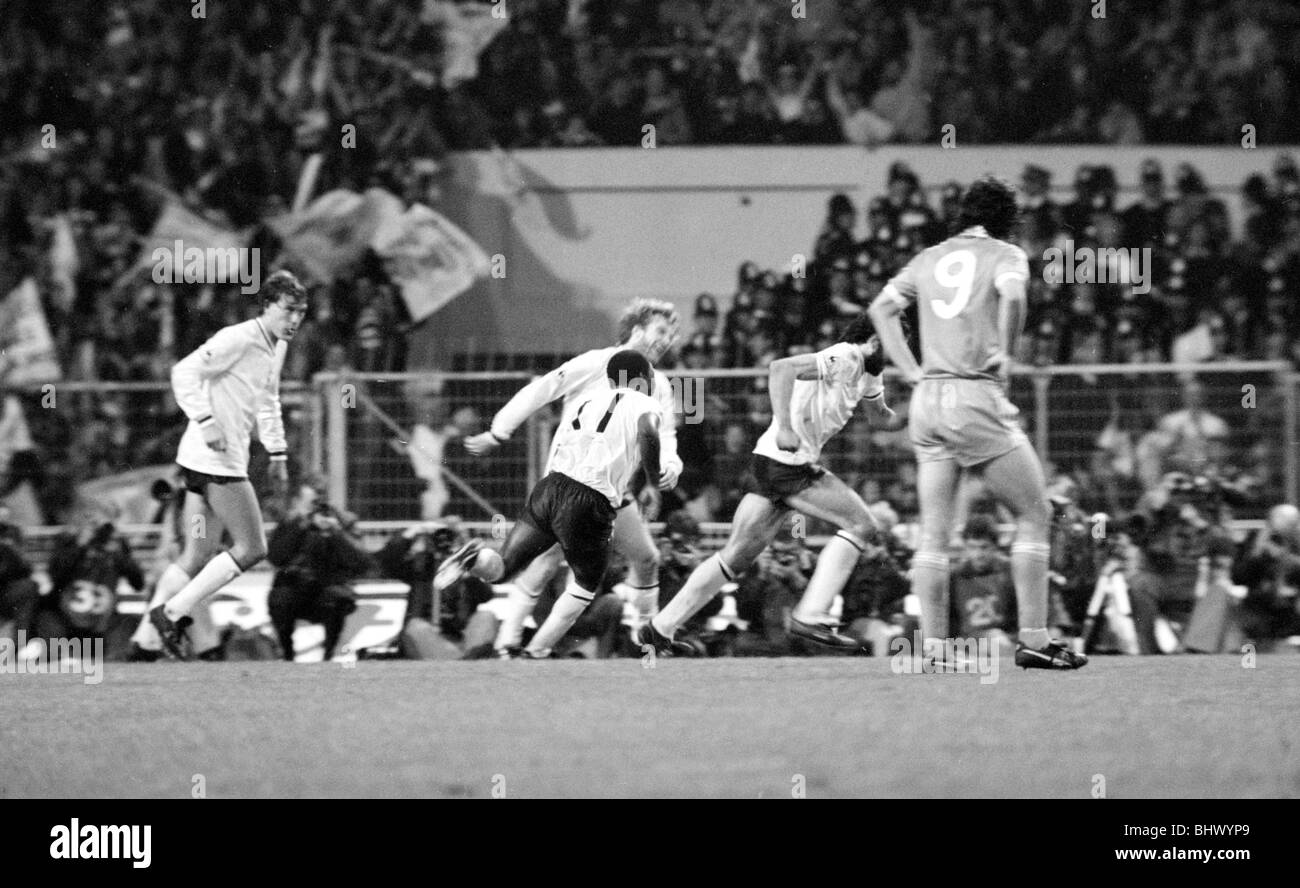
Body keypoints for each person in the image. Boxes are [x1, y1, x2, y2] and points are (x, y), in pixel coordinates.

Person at [869, 175, 1087, 669]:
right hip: (974, 394)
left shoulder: (927, 258)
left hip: (927, 400)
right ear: (1005, 219)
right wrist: (1006, 353)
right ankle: (1034, 638)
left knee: (933, 534)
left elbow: (881, 309)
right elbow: (1013, 298)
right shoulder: (1006, 254)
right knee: (1036, 514)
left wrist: (908, 368)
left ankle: (934, 649)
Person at [639, 311, 899, 654]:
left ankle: (659, 628)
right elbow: (781, 368)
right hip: (788, 463)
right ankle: (811, 614)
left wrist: (927, 407)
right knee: (862, 525)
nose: (899, 350)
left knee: (735, 556)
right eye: (896, 341)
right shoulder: (847, 356)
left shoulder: (869, 373)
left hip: (769, 461)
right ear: (876, 340)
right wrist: (787, 427)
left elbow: (881, 419)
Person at [459, 299, 682, 655]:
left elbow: (666, 435)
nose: (666, 340)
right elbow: (542, 388)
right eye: (661, 331)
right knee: (549, 564)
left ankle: (649, 640)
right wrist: (499, 431)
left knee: (646, 557)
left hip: (610, 493)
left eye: (671, 335)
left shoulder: (661, 386)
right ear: (637, 330)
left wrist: (670, 466)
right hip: (576, 483)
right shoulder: (595, 363)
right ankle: (513, 645)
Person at [147, 270, 308, 658]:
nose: (294, 320)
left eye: (300, 313)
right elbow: (183, 371)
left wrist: (278, 452)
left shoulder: (276, 347)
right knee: (253, 547)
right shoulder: (238, 338)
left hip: (204, 462)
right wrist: (205, 420)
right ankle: (172, 612)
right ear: (267, 306)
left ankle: (142, 642)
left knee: (197, 555)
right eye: (287, 310)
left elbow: (268, 399)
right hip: (214, 460)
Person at [265, 484, 371, 661]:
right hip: (294, 588)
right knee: (280, 598)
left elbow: (362, 563)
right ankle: (287, 656)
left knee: (337, 599)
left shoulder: (342, 523)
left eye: (319, 502)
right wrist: (303, 526)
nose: (317, 508)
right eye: (311, 503)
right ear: (297, 502)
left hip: (327, 589)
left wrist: (336, 532)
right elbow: (276, 557)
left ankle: (329, 656)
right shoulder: (290, 524)